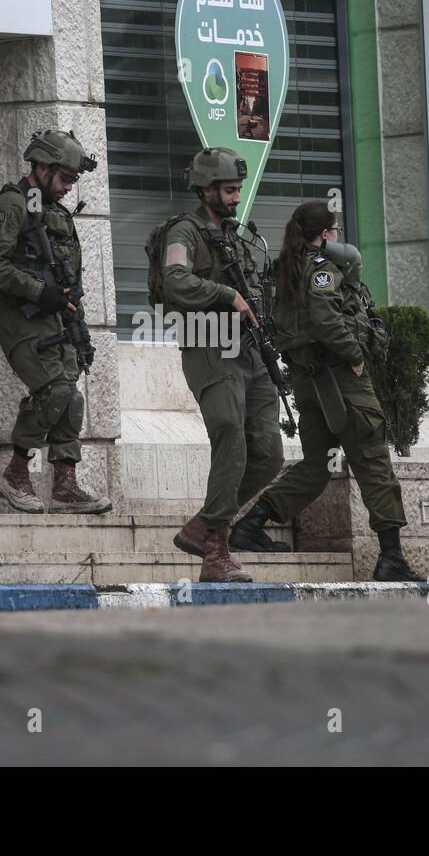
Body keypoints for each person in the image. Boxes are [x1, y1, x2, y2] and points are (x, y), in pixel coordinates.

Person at [230, 202, 427, 581]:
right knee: (373, 462)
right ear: (324, 235)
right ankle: (391, 559)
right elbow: (324, 317)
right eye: (333, 231)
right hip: (341, 380)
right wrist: (354, 355)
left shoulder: (288, 270)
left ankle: (252, 523)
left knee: (320, 464)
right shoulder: (321, 271)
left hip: (311, 382)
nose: (337, 237)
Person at [160, 147, 287, 583]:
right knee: (230, 432)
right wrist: (225, 295)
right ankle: (217, 549)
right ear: (207, 188)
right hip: (209, 347)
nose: (236, 198)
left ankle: (202, 526)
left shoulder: (235, 235)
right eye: (230, 190)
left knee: (269, 452)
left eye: (237, 190)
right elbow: (174, 280)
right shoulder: (185, 232)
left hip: (248, 350)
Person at [0, 129, 112, 514]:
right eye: (65, 177)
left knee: (71, 397)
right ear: (41, 167)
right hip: (19, 315)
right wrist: (38, 292)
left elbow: (71, 280)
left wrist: (79, 327)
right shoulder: (12, 204)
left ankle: (65, 485)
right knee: (54, 391)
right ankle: (16, 474)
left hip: (55, 317)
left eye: (73, 180)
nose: (70, 186)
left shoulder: (55, 212)